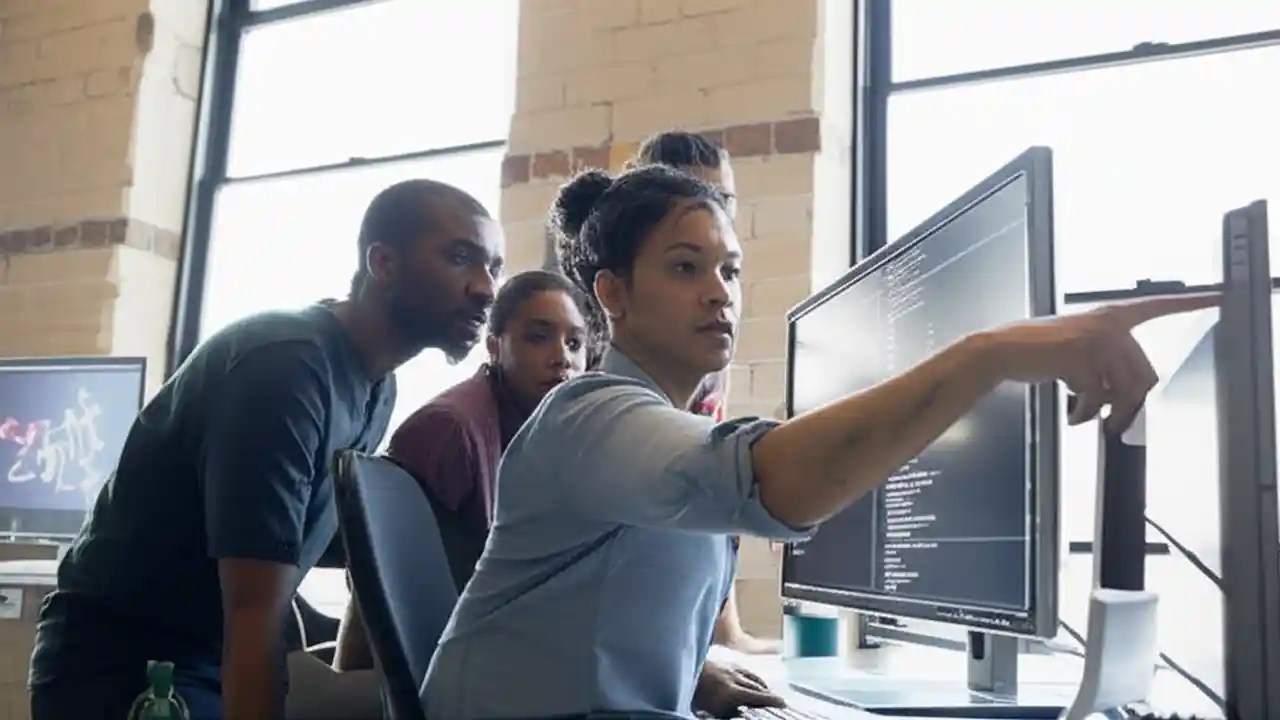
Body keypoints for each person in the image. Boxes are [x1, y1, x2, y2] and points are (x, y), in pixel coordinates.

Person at [421, 164, 1215, 719]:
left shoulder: (647, 428)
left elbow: (590, 601)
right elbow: (770, 483)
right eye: (686, 267)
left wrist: (693, 675)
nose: (719, 293)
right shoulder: (590, 416)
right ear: (614, 293)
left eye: (730, 271)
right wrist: (989, 354)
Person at [28, 179, 504, 720]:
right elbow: (254, 614)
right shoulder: (287, 368)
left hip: (206, 652)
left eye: (494, 267)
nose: (486, 289)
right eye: (460, 257)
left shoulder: (377, 385)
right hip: (127, 665)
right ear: (384, 262)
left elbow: (305, 537)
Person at [627, 129, 778, 656]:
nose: (715, 216)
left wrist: (725, 637)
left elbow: (715, 495)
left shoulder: (708, 334)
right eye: (696, 199)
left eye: (725, 201)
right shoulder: (602, 344)